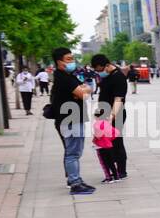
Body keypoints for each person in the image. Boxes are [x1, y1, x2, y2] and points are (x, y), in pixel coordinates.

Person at [50, 47, 94, 195]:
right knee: (73, 152)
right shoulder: (64, 78)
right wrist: (83, 91)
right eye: (68, 59)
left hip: (74, 118)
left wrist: (83, 90)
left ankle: (75, 179)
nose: (72, 62)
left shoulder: (68, 76)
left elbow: (85, 90)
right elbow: (83, 93)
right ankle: (75, 183)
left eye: (72, 58)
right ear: (59, 62)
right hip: (70, 119)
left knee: (74, 151)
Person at [91, 54, 130, 179]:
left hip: (116, 114)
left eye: (99, 70)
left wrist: (111, 116)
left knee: (117, 141)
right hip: (105, 114)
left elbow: (118, 99)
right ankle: (113, 170)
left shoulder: (118, 77)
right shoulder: (107, 76)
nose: (99, 73)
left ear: (106, 65)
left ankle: (121, 170)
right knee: (106, 143)